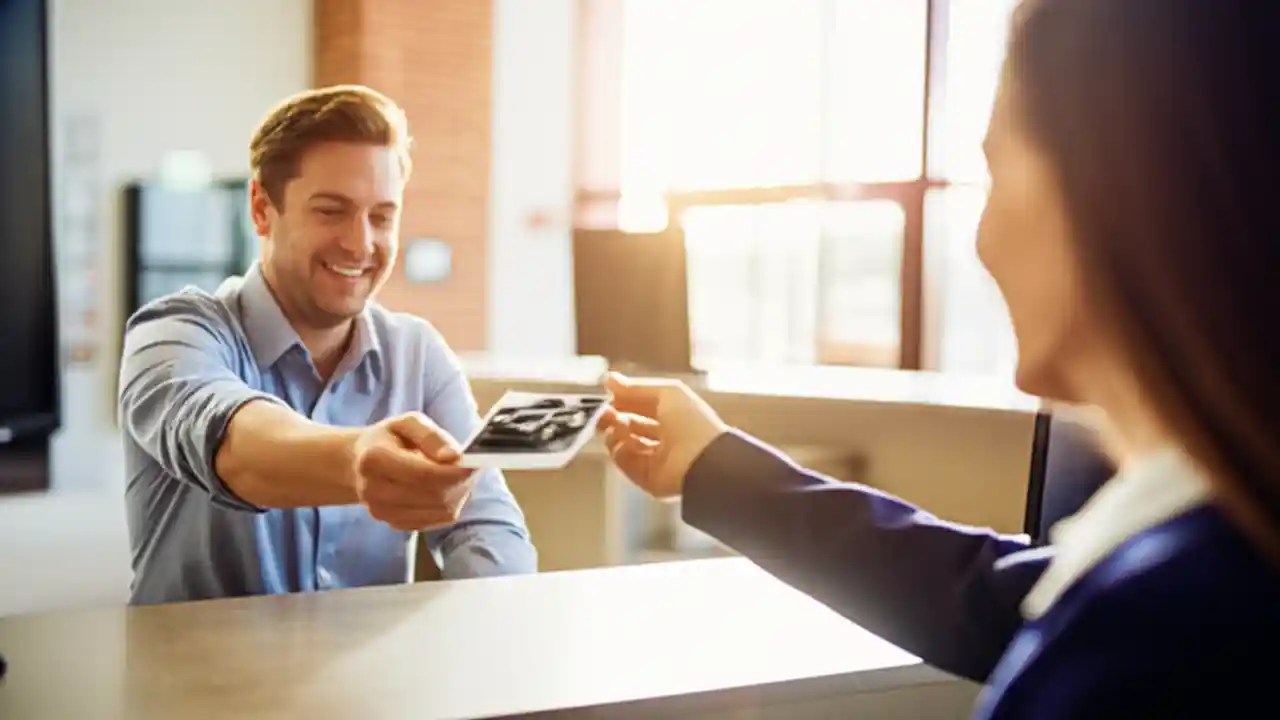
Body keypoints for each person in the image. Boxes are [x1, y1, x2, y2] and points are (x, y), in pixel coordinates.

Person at [599, 0, 1280, 715]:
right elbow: (991, 597)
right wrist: (710, 465)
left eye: (995, 176)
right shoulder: (1197, 570)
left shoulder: (1156, 639)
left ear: (1117, 194)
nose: (982, 242)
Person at [119, 85, 536, 605]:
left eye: (381, 217)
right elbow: (235, 448)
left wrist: (492, 617)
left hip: (369, 663)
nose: (360, 244)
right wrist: (358, 459)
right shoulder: (173, 333)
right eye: (331, 211)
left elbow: (486, 526)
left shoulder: (417, 353)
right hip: (197, 661)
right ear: (261, 209)